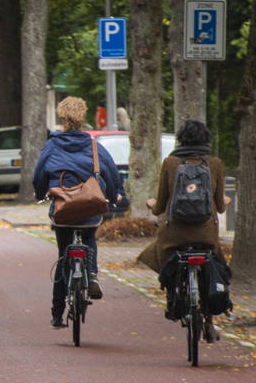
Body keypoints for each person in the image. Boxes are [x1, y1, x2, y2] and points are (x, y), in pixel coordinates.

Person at [32, 96, 123, 329]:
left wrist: (41, 193)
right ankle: (91, 275)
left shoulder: (51, 146)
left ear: (62, 119)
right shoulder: (94, 146)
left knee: (64, 256)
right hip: (90, 209)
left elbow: (39, 175)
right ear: (83, 118)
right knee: (90, 238)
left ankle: (56, 314)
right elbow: (111, 173)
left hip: (62, 211)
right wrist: (114, 196)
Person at [137, 120, 230, 320]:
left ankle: (172, 296)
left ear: (181, 140)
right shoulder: (215, 164)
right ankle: (210, 317)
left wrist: (152, 204)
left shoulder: (170, 163)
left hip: (175, 234)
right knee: (216, 259)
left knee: (159, 254)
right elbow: (220, 207)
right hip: (206, 234)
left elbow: (160, 206)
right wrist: (225, 201)